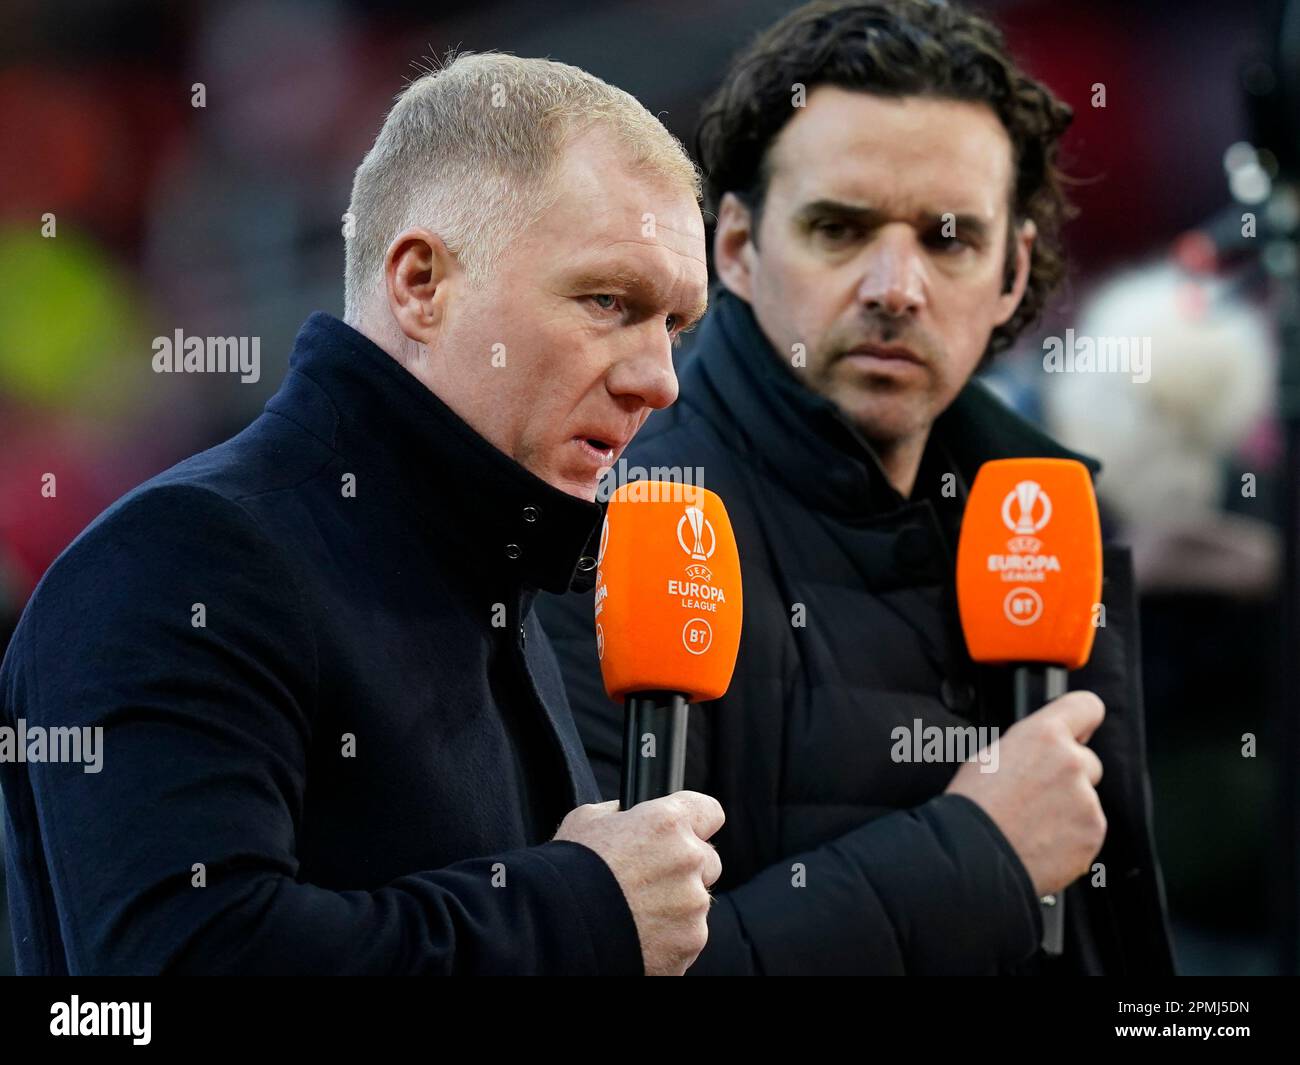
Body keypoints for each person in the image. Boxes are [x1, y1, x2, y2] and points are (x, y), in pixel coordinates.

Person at [0, 52, 720, 975]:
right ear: (421, 283)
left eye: (675, 325)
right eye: (608, 300)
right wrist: (579, 909)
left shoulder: (496, 572)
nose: (659, 379)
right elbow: (179, 966)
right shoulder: (179, 561)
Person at [538, 0, 1175, 974]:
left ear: (1011, 274)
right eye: (840, 228)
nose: (893, 285)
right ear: (738, 250)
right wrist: (977, 854)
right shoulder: (618, 530)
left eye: (948, 237)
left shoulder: (1044, 523)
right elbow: (611, 966)